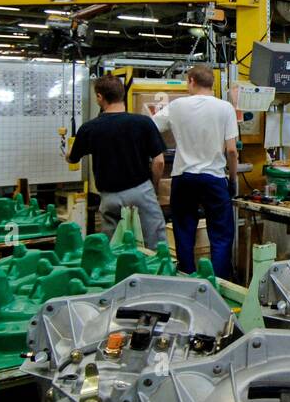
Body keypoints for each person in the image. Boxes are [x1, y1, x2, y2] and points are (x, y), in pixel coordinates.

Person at [152, 65, 239, 278]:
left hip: (184, 177)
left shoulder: (177, 106)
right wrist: (233, 179)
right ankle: (218, 282)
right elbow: (232, 151)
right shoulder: (225, 108)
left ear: (191, 80)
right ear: (212, 83)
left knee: (184, 231)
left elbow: (151, 127)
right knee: (220, 234)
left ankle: (186, 278)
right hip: (214, 178)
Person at [68, 75, 167, 249]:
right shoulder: (143, 123)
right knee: (155, 244)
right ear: (122, 94)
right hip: (141, 191)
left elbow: (73, 158)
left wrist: (68, 153)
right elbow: (159, 161)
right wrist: (154, 185)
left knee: (112, 248)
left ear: (100, 97)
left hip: (109, 197)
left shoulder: (89, 128)